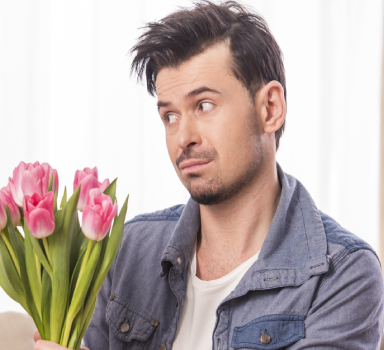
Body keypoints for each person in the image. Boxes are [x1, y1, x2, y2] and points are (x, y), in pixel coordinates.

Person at [35, 1, 384, 349]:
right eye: (170, 116)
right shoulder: (128, 250)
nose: (183, 138)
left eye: (203, 106)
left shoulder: (343, 274)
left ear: (270, 108)